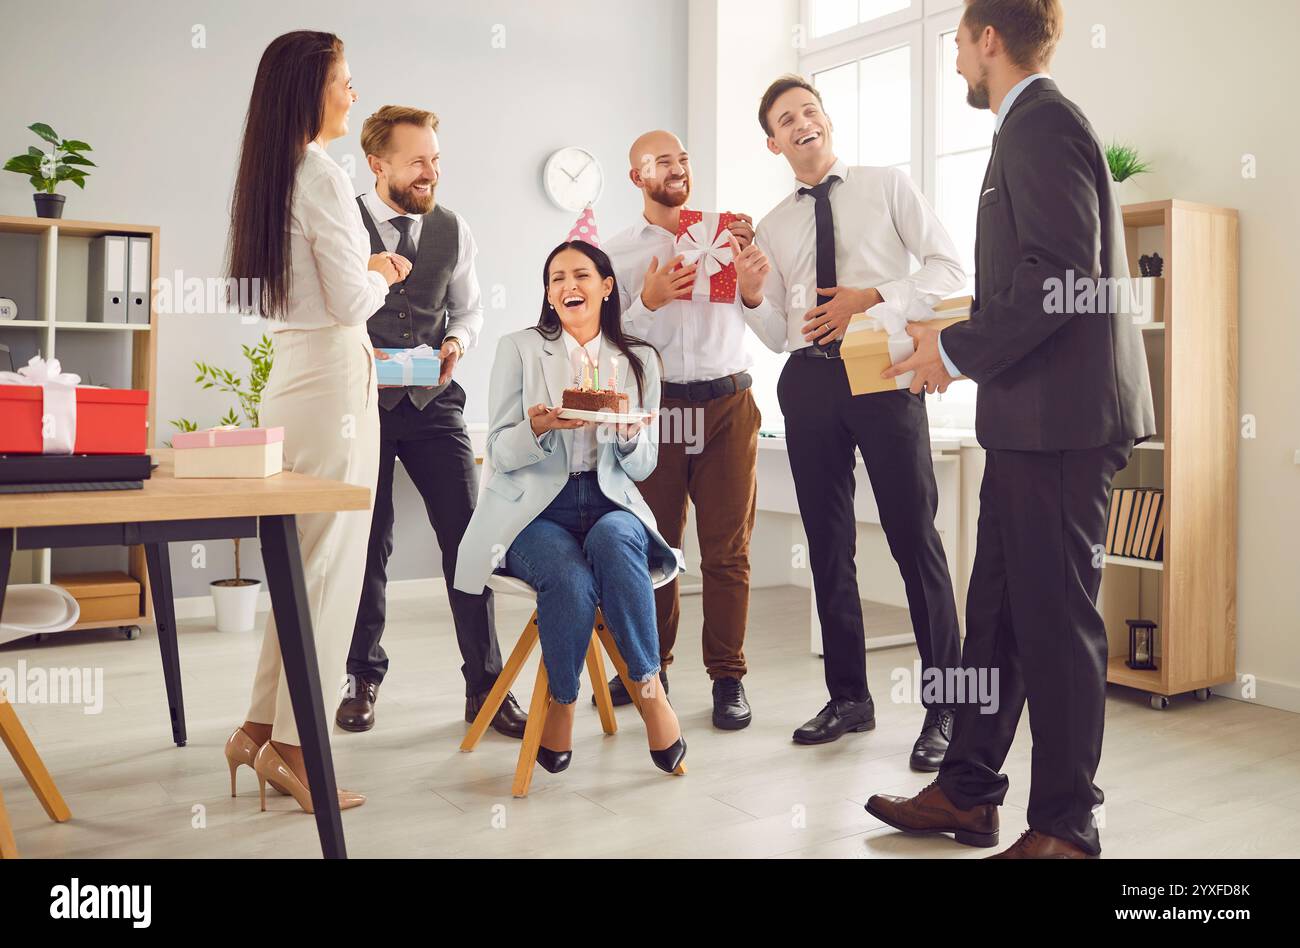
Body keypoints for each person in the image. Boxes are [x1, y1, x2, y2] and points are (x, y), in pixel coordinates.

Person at [865, 0, 1155, 858]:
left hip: (1064, 424)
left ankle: (1067, 825)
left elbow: (1060, 274)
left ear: (988, 40)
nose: (955, 59)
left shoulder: (1041, 123)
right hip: (1028, 423)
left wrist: (951, 350)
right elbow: (1040, 280)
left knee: (1055, 623)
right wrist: (949, 334)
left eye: (957, 42)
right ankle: (967, 789)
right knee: (991, 615)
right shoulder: (1026, 128)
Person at [741, 74, 966, 767]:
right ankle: (850, 699)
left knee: (912, 540)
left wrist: (874, 296)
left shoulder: (887, 185)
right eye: (787, 118)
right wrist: (752, 296)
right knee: (828, 545)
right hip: (809, 381)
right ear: (773, 141)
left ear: (826, 121)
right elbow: (780, 333)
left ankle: (947, 709)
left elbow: (949, 269)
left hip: (883, 370)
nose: (802, 122)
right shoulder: (773, 225)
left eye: (810, 110)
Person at [223, 31, 410, 813]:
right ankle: (296, 749)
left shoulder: (271, 175)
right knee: (328, 570)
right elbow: (347, 301)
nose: (353, 93)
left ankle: (259, 727)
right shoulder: (324, 176)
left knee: (302, 570)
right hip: (334, 376)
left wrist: (360, 273)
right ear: (311, 89)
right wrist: (381, 269)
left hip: (293, 378)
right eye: (343, 79)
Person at [453, 240, 686, 775]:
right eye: (556, 278)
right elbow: (502, 451)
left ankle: (650, 692)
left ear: (607, 286)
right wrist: (537, 426)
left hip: (608, 501)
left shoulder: (639, 359)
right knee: (569, 580)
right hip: (538, 510)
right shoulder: (519, 348)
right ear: (549, 293)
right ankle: (562, 699)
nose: (567, 286)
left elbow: (644, 465)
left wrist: (627, 435)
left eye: (580, 275)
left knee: (615, 541)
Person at [335, 105, 526, 739]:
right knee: (370, 540)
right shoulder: (342, 222)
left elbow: (468, 310)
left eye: (435, 160)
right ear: (377, 164)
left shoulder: (453, 227)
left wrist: (458, 345)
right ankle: (362, 676)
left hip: (434, 400)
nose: (429, 172)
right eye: (417, 161)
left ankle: (486, 685)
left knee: (468, 539)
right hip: (360, 403)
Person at [602, 129, 763, 730]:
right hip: (658, 408)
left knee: (728, 553)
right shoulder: (616, 254)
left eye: (683, 159)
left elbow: (770, 321)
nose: (676, 168)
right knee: (654, 549)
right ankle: (650, 672)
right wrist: (644, 301)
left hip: (729, 406)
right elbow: (599, 345)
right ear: (636, 177)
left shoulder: (731, 236)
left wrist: (750, 289)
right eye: (661, 161)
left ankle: (728, 679)